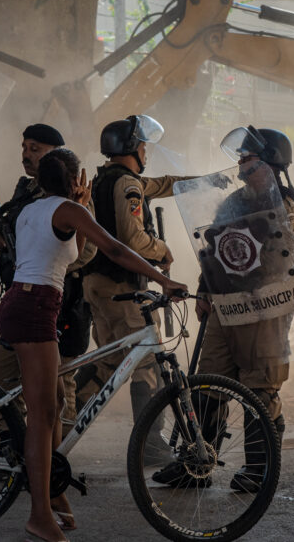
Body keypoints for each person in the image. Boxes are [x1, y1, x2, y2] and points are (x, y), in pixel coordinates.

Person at [0, 148, 185, 542]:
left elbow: (78, 255)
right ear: (75, 178)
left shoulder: (37, 209)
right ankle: (39, 515)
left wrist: (83, 209)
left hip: (26, 301)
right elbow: (115, 248)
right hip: (34, 306)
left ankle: (55, 494)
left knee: (56, 406)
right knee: (43, 414)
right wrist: (162, 279)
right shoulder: (67, 210)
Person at [154, 126, 294, 492]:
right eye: (240, 160)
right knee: (209, 382)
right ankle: (198, 464)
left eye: (249, 160)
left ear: (271, 163)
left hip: (265, 309)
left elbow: (281, 250)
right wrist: (205, 292)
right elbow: (213, 251)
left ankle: (259, 469)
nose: (240, 167)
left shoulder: (287, 208)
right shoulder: (233, 202)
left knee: (260, 388)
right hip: (226, 307)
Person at [0, 124, 95, 485]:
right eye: (24, 147)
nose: (26, 155)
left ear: (57, 155)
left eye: (35, 148)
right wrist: (6, 240)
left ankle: (54, 465)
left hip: (60, 304)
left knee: (59, 392)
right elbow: (6, 231)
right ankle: (13, 453)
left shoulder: (76, 195)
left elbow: (84, 254)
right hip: (22, 301)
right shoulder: (26, 190)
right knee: (2, 378)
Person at [73, 115, 192, 431]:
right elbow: (132, 238)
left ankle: (63, 424)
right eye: (143, 146)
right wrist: (162, 249)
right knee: (147, 364)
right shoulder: (127, 184)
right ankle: (151, 445)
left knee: (109, 360)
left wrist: (200, 183)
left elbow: (161, 184)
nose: (146, 152)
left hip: (96, 284)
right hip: (121, 286)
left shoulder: (106, 180)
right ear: (132, 147)